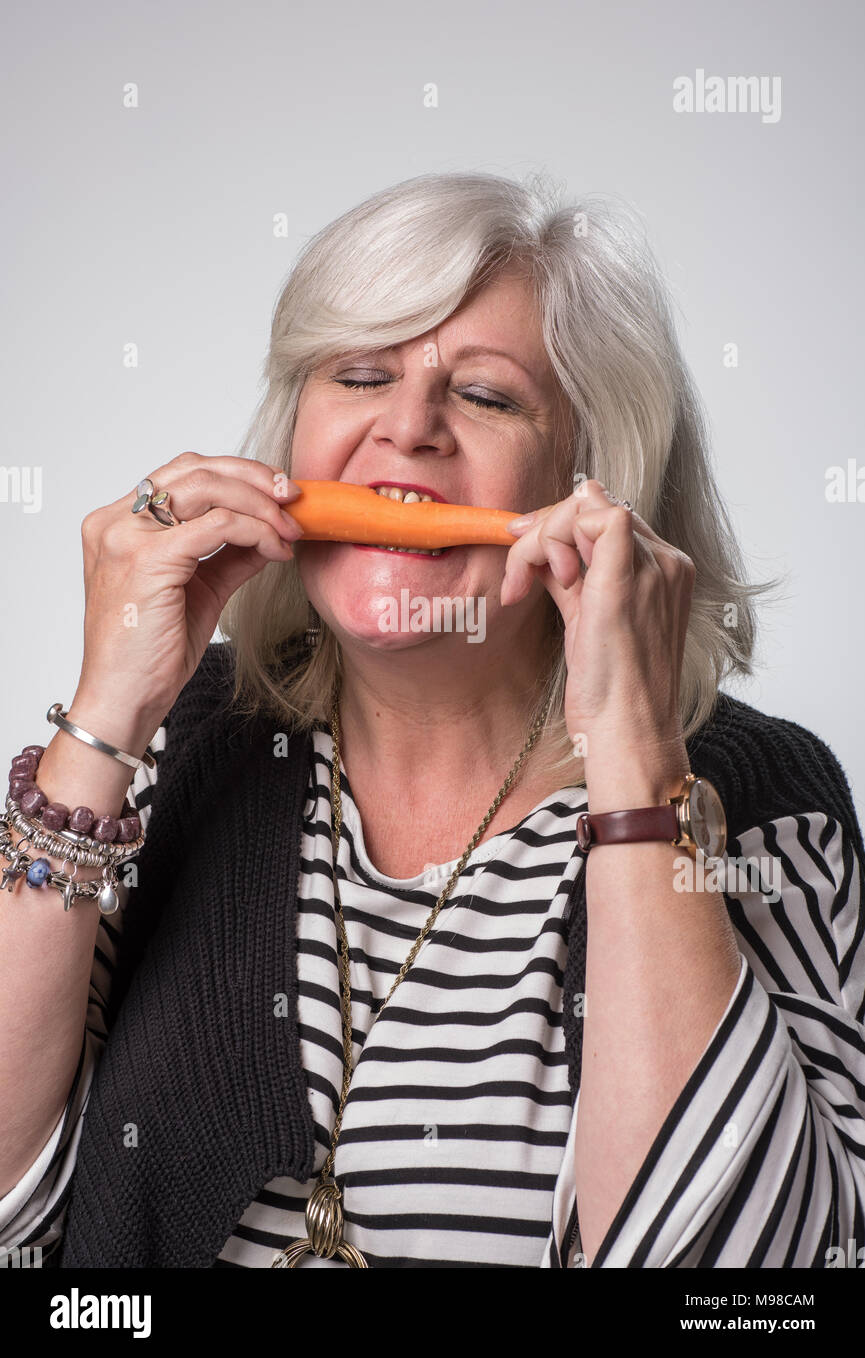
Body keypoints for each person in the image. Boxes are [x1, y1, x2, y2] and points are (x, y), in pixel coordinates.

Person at [1, 172, 863, 1269]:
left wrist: (634, 762)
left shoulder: (761, 806)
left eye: (488, 397)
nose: (405, 430)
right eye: (358, 375)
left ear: (590, 481)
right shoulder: (177, 751)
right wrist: (104, 718)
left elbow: (739, 1282)